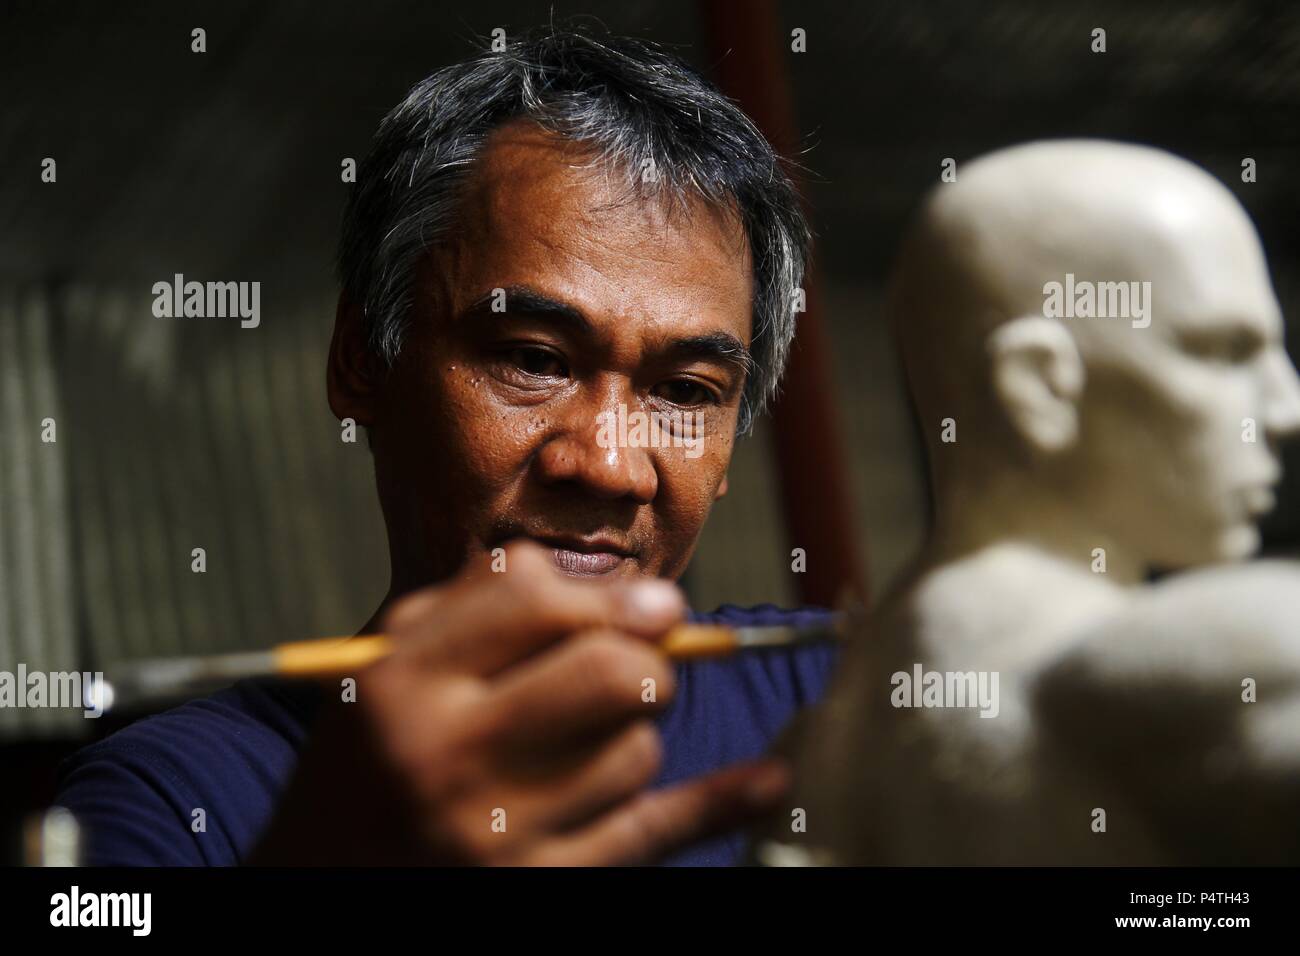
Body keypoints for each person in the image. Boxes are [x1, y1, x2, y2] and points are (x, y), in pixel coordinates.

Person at [54, 27, 838, 866]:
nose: (610, 466)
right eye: (534, 360)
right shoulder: (168, 805)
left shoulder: (828, 700)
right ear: (362, 361)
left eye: (685, 392)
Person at [766, 140, 1300, 864]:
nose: (1285, 408)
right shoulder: (1232, 672)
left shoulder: (823, 743)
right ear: (1041, 384)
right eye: (1224, 351)